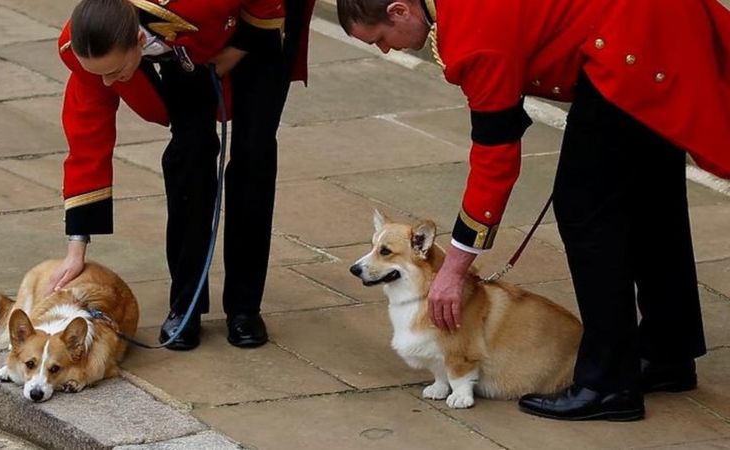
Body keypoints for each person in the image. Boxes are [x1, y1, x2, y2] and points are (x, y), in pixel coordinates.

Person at [337, 0, 730, 421]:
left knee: (588, 212)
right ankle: (666, 353)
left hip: (632, 40)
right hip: (651, 23)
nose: (384, 51)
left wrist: (452, 270)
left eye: (380, 39)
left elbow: (495, 158)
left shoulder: (472, 38)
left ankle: (607, 384)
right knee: (650, 199)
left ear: (399, 11)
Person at [48, 0, 316, 351]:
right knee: (190, 154)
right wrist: (76, 248)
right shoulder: (88, 42)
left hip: (264, 19)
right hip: (184, 40)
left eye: (114, 71)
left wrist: (235, 51)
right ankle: (186, 304)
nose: (108, 82)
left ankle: (245, 307)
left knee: (254, 153)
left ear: (138, 42)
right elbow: (87, 141)